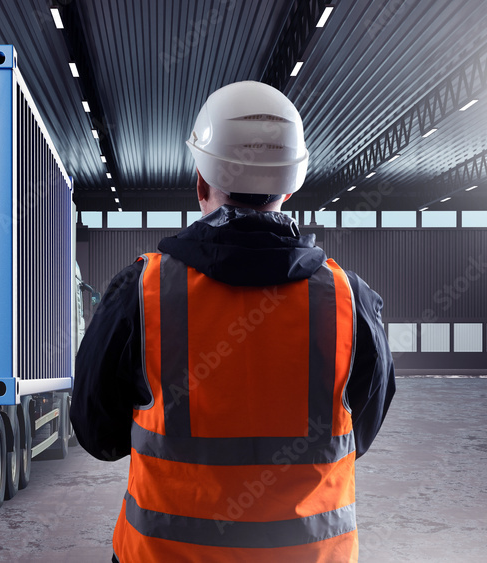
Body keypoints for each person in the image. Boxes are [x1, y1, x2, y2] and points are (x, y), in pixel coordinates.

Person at [70, 81, 395, 562]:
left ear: (201, 183)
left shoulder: (141, 291)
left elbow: (98, 435)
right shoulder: (350, 299)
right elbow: (359, 432)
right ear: (290, 185)